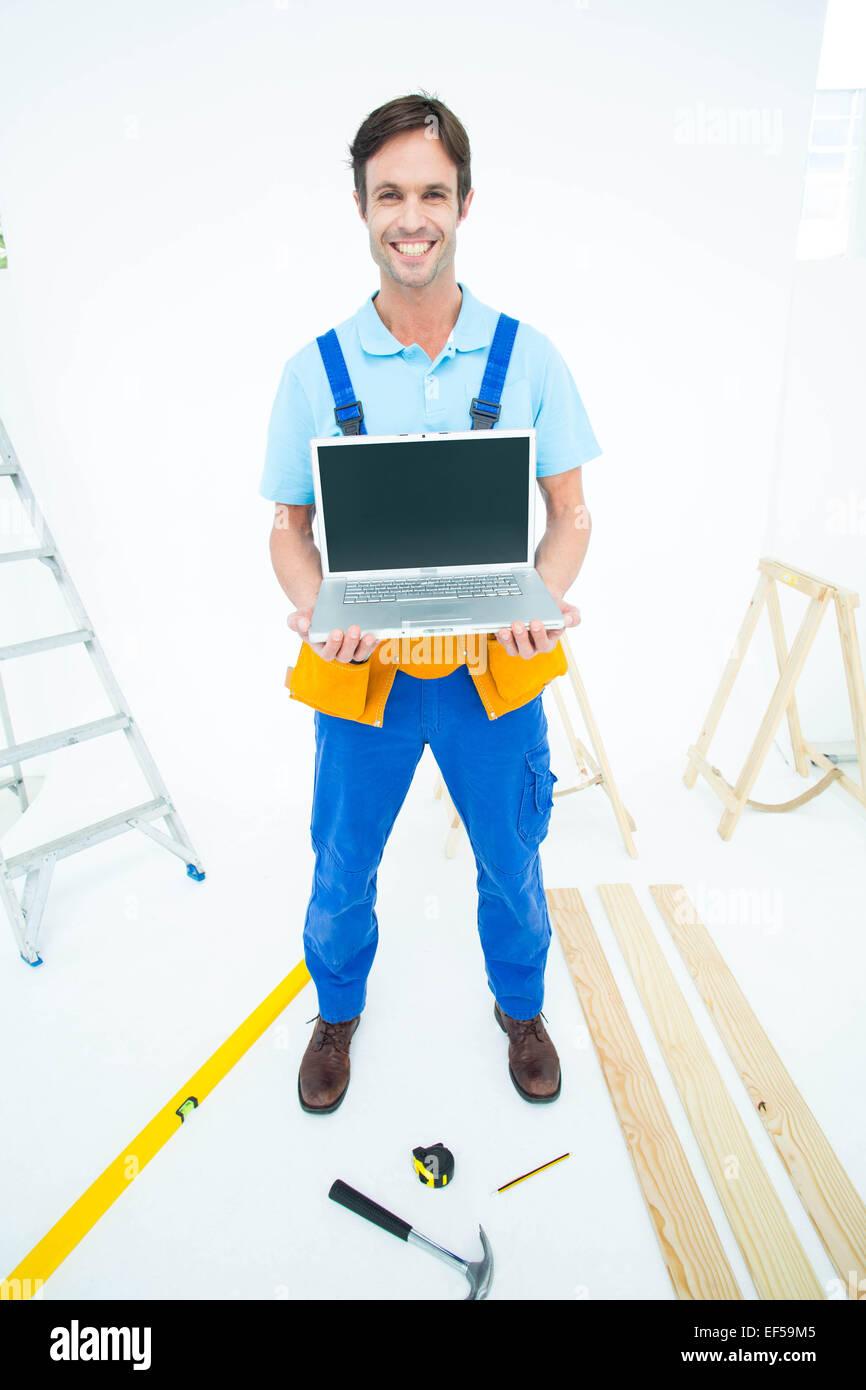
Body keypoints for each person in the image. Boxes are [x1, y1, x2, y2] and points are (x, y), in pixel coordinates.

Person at [260, 92, 601, 1114]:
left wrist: (540, 591)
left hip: (492, 671)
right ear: (362, 207)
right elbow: (286, 530)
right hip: (358, 671)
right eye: (389, 194)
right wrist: (321, 605)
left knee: (511, 857)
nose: (411, 216)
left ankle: (520, 1006)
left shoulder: (525, 356)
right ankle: (337, 1012)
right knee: (340, 865)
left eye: (431, 193)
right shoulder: (312, 371)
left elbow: (572, 511)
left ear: (462, 203)